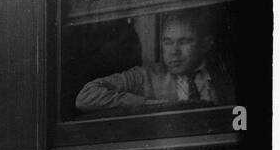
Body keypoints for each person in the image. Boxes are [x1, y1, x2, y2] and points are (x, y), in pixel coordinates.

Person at [75, 10, 234, 113]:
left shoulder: (225, 76)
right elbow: (86, 96)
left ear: (206, 44)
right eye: (167, 42)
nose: (174, 51)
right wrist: (149, 105)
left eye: (184, 41)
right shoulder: (145, 76)